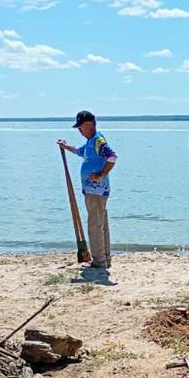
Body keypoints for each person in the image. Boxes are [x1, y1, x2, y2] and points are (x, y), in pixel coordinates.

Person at [57, 110, 117, 269]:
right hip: (92, 190)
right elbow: (79, 151)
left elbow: (112, 156)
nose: (79, 130)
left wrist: (100, 175)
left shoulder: (98, 141)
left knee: (95, 225)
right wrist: (65, 146)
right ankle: (105, 259)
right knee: (100, 224)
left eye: (81, 127)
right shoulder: (91, 142)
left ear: (89, 124)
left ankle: (99, 261)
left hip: (97, 190)